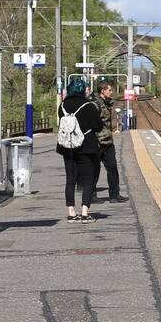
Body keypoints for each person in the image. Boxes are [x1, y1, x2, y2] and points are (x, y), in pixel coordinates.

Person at [56, 77, 103, 222]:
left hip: (67, 147)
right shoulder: (88, 106)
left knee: (70, 179)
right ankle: (84, 213)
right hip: (86, 147)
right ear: (83, 90)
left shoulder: (62, 106)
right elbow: (98, 127)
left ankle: (71, 213)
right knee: (88, 180)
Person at [90, 80, 125, 202]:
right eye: (109, 90)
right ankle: (92, 195)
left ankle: (114, 195)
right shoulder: (95, 104)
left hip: (108, 142)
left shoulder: (107, 103)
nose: (111, 92)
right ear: (102, 91)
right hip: (97, 142)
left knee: (112, 167)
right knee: (94, 169)